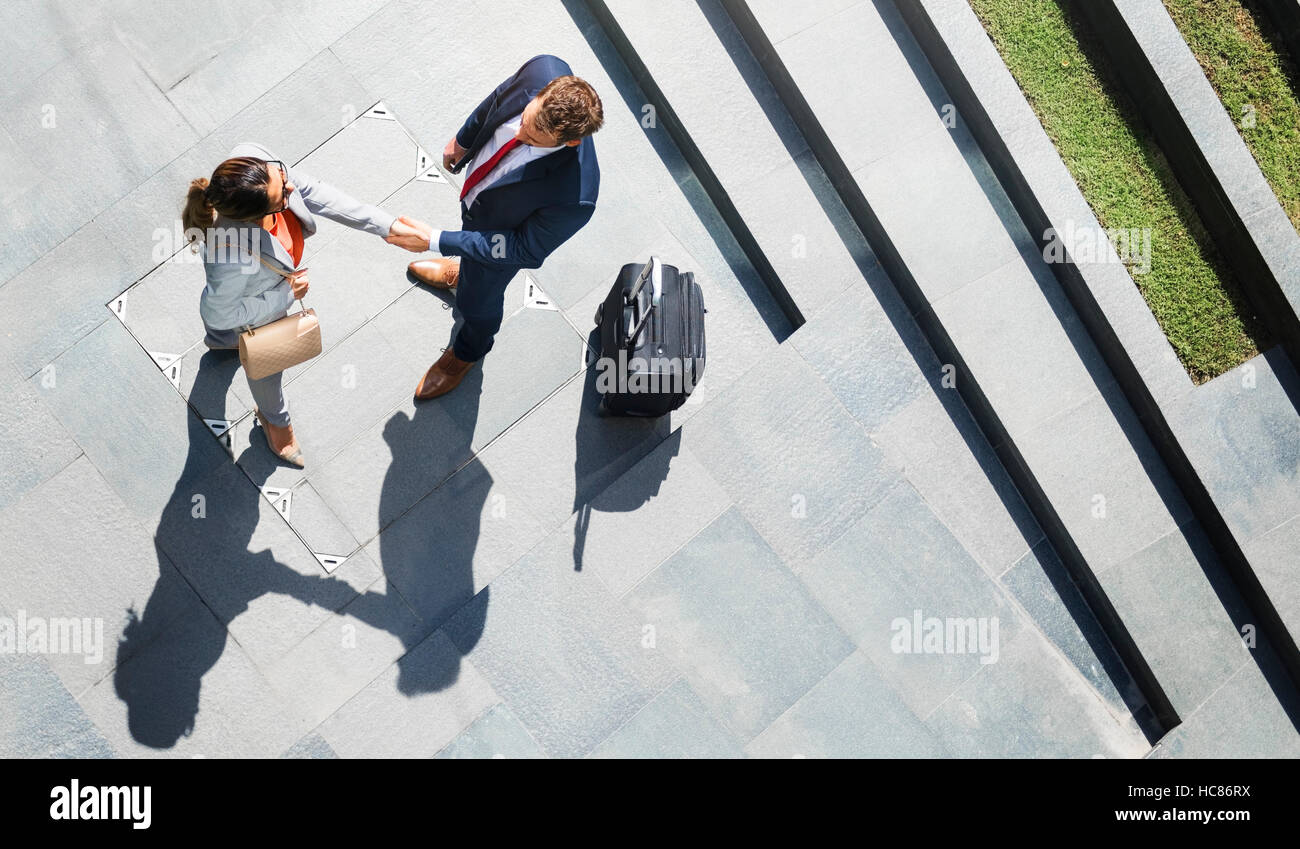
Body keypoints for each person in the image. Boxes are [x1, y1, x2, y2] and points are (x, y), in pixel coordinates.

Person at [183, 142, 425, 466]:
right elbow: (219, 310)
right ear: (256, 217)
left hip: (241, 292)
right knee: (266, 367)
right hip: (259, 307)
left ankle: (221, 342)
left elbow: (318, 193)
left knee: (225, 327)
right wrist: (286, 294)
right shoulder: (229, 256)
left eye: (281, 176)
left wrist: (386, 226)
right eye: (282, 196)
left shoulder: (256, 161)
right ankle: (276, 420)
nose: (291, 187)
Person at [388, 55, 603, 399]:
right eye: (526, 119)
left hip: (497, 245)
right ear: (544, 90)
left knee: (478, 305)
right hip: (479, 207)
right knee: (470, 263)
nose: (520, 132)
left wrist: (436, 240)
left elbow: (522, 249)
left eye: (533, 138)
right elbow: (498, 98)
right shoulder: (544, 68)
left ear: (571, 142)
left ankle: (466, 353)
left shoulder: (575, 197)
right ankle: (462, 273)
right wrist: (463, 140)